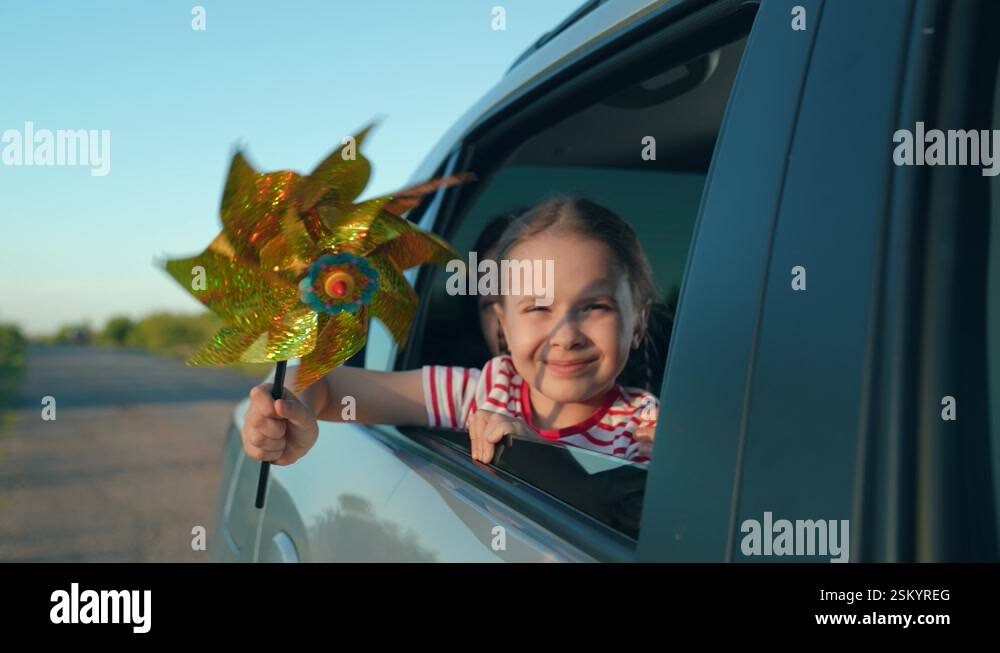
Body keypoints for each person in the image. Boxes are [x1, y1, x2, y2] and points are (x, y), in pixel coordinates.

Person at [241, 196, 661, 467]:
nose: (566, 335)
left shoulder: (651, 427)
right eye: (538, 308)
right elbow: (328, 385)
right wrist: (288, 409)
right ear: (504, 326)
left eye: (594, 307)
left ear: (638, 324)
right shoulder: (482, 393)